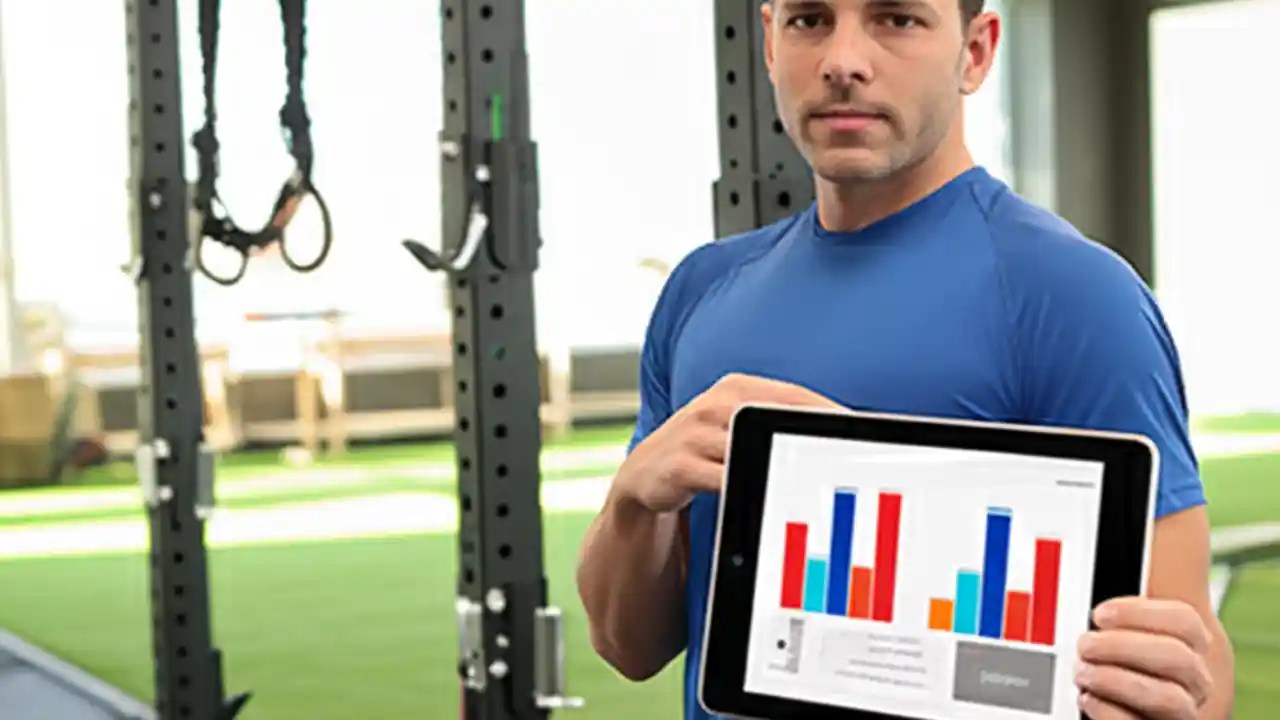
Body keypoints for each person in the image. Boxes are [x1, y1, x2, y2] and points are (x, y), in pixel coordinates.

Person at [575, 0, 1236, 718]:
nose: (843, 61)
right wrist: (634, 498)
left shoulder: (1075, 297)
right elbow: (628, 647)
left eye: (897, 19)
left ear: (976, 53)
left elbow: (1188, 670)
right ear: (769, 41)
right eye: (809, 20)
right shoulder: (701, 290)